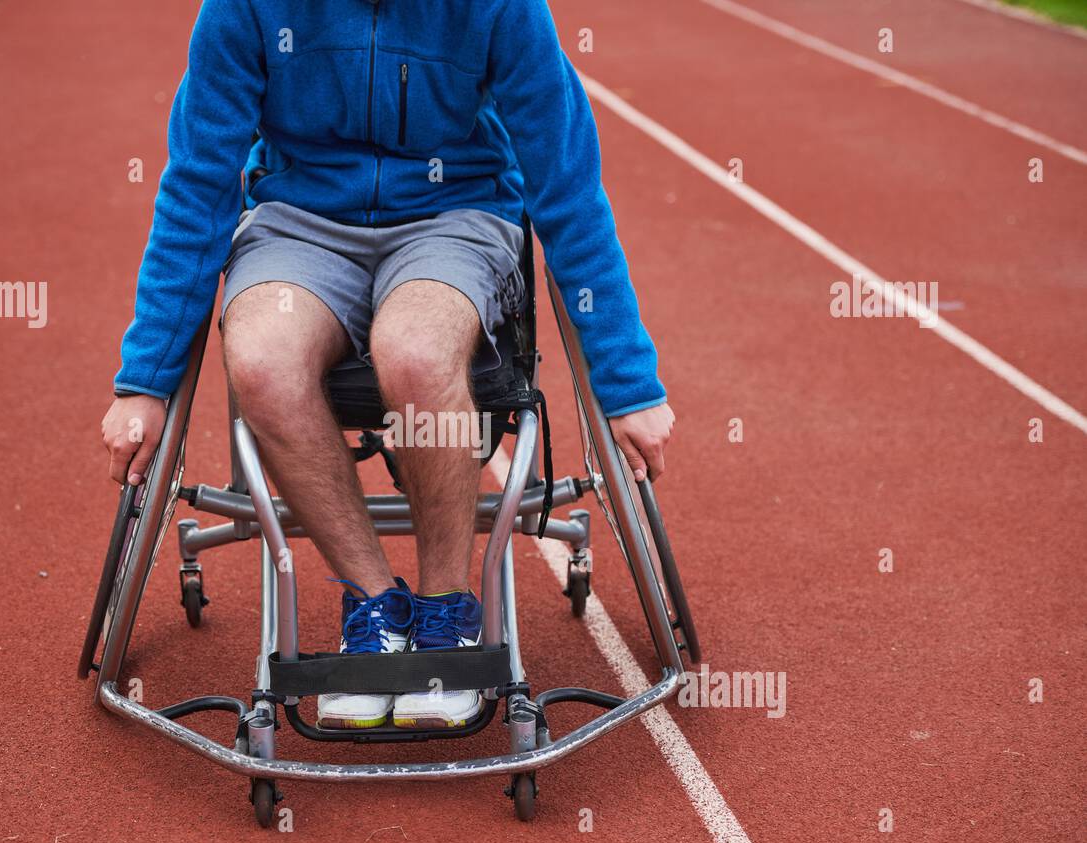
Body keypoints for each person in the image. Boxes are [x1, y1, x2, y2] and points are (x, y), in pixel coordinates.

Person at [101, 0, 674, 730]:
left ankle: (446, 612)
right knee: (263, 361)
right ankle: (375, 605)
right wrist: (146, 381)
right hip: (299, 222)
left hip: (455, 218)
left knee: (415, 353)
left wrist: (628, 383)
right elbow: (196, 188)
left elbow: (566, 187)